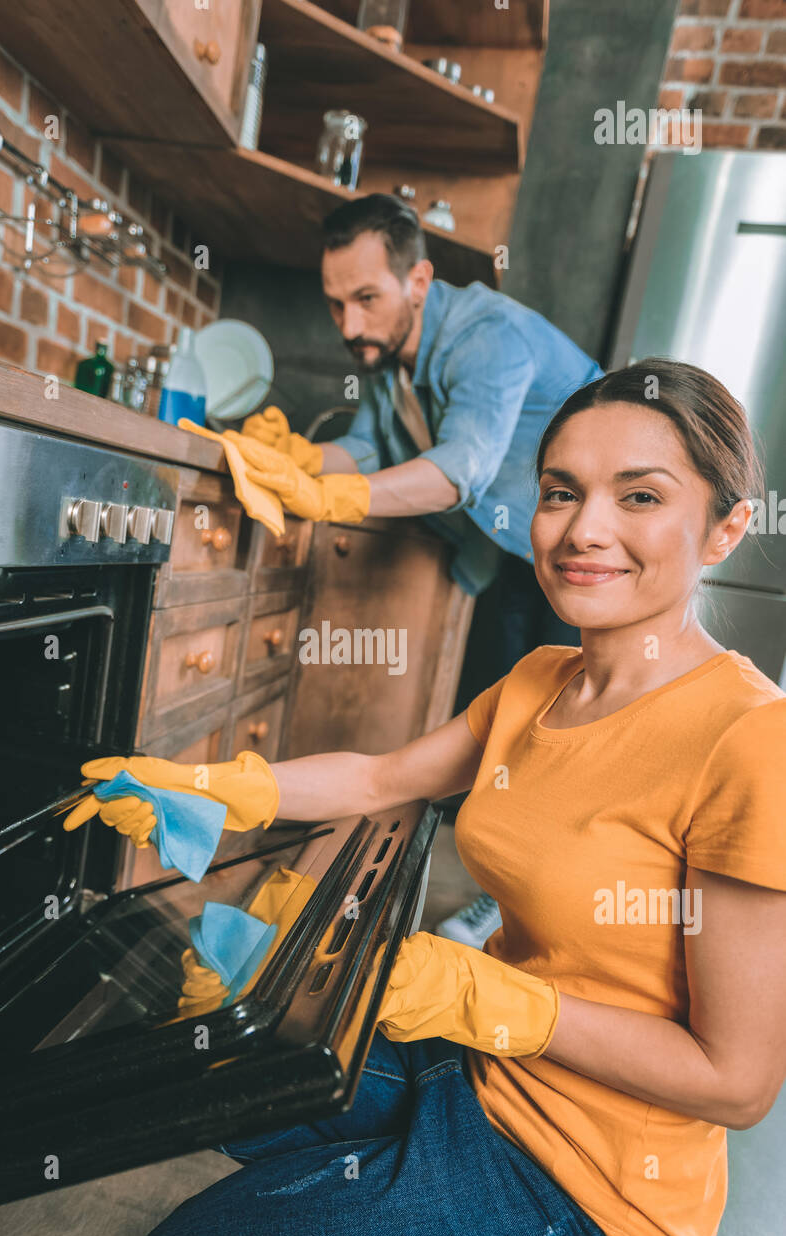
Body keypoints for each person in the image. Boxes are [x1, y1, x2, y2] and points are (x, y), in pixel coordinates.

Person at [70, 359, 786, 1236]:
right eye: (559, 492)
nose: (584, 531)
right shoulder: (540, 678)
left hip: (592, 1193)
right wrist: (207, 787)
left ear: (726, 528)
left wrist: (494, 1000)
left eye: (639, 496)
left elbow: (736, 1084)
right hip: (482, 1075)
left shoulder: (750, 737)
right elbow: (379, 777)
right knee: (209, 1071)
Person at [241, 192, 602, 944]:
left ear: (418, 281)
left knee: (558, 730)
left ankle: (518, 912)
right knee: (496, 722)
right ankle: (478, 887)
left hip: (584, 552)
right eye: (336, 303)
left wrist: (331, 496)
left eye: (366, 299)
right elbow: (372, 447)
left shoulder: (486, 336)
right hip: (504, 546)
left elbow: (458, 469)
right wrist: (299, 459)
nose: (349, 325)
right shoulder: (385, 351)